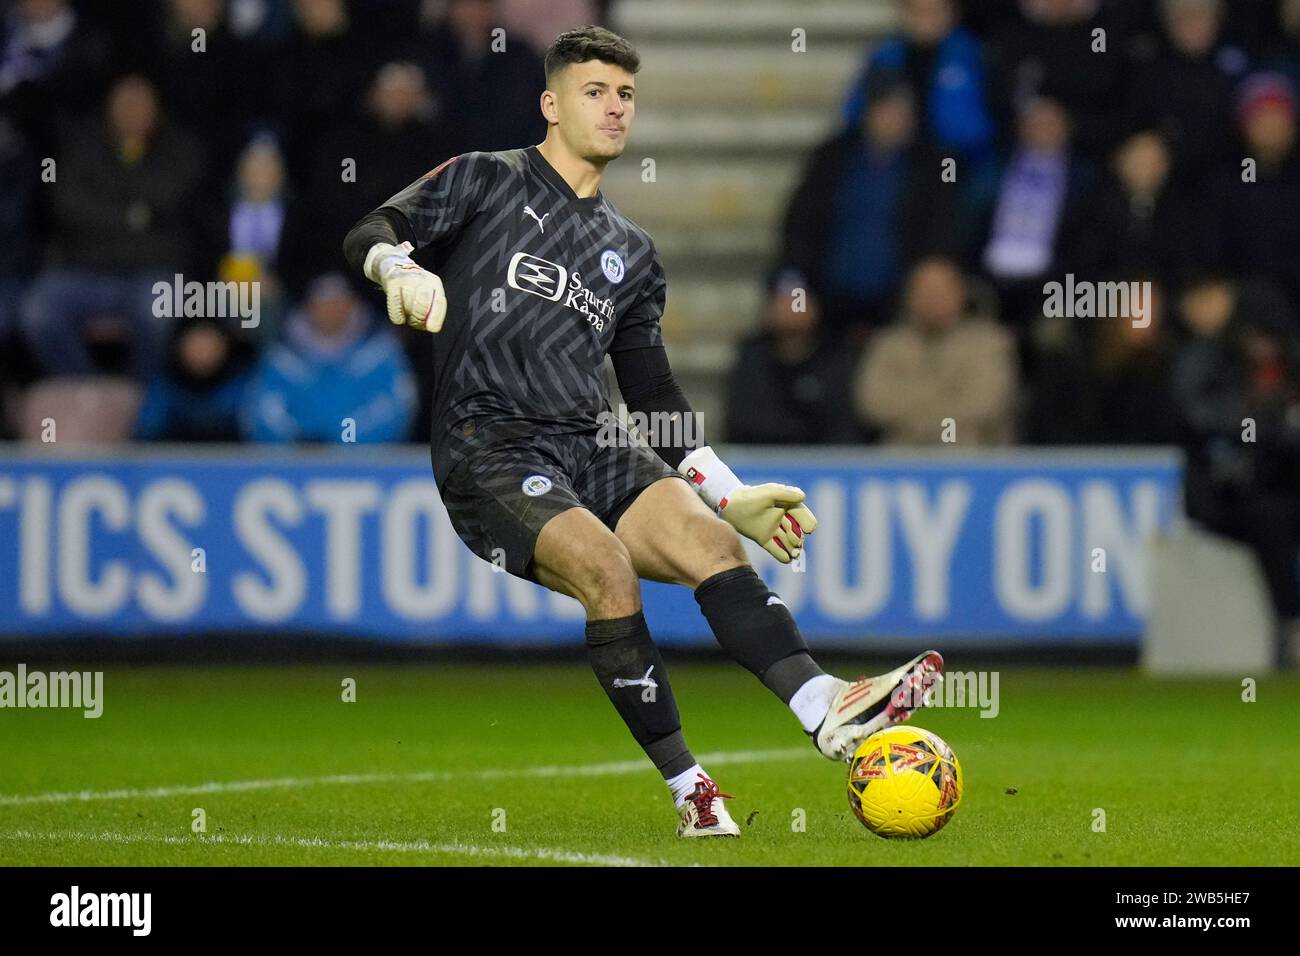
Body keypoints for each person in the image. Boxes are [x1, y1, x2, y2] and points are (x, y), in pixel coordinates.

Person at [343, 26, 943, 839]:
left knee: (712, 548)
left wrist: (730, 496)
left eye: (626, 94)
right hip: (491, 446)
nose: (615, 108)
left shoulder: (631, 250)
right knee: (607, 568)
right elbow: (369, 229)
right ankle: (692, 789)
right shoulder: (488, 179)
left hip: (593, 442)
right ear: (551, 104)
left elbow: (651, 391)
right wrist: (399, 267)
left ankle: (826, 707)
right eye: (596, 92)